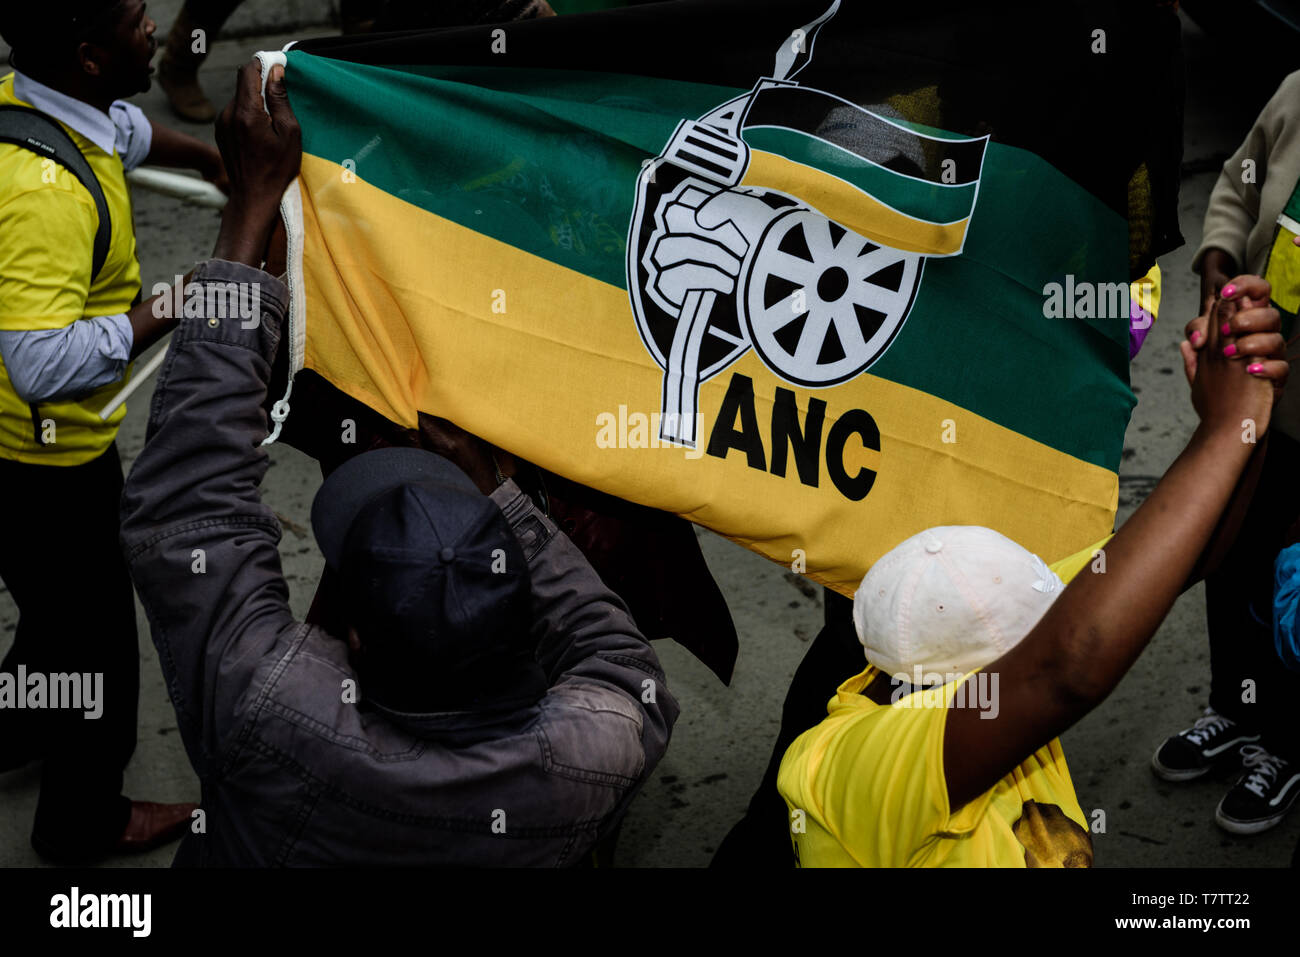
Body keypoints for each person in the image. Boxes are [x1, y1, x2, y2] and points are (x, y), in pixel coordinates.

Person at [118, 59, 678, 866]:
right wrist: (509, 505)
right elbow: (622, 662)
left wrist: (246, 216)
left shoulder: (266, 707)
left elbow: (186, 504)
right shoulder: (591, 757)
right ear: (522, 618)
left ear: (350, 636)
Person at [777, 277, 1287, 866]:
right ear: (972, 687)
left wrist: (1247, 419)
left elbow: (1185, 562)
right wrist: (1225, 433)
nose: (1048, 634)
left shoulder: (960, 645)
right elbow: (1064, 667)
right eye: (1030, 650)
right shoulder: (850, 764)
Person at [0, 0, 228, 862]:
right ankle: (80, 817)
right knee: (95, 644)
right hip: (36, 463)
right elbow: (44, 365)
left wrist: (210, 161)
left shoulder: (38, 100)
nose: (158, 23)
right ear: (91, 55)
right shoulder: (45, 196)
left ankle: (13, 726)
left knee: (52, 618)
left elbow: (122, 132)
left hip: (35, 453)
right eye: (139, 19)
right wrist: (175, 297)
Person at [1156, 70, 1300, 835]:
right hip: (1250, 404)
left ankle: (1287, 740)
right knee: (1234, 558)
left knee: (1293, 585)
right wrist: (1217, 255)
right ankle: (1235, 709)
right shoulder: (1296, 94)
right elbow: (1239, 184)